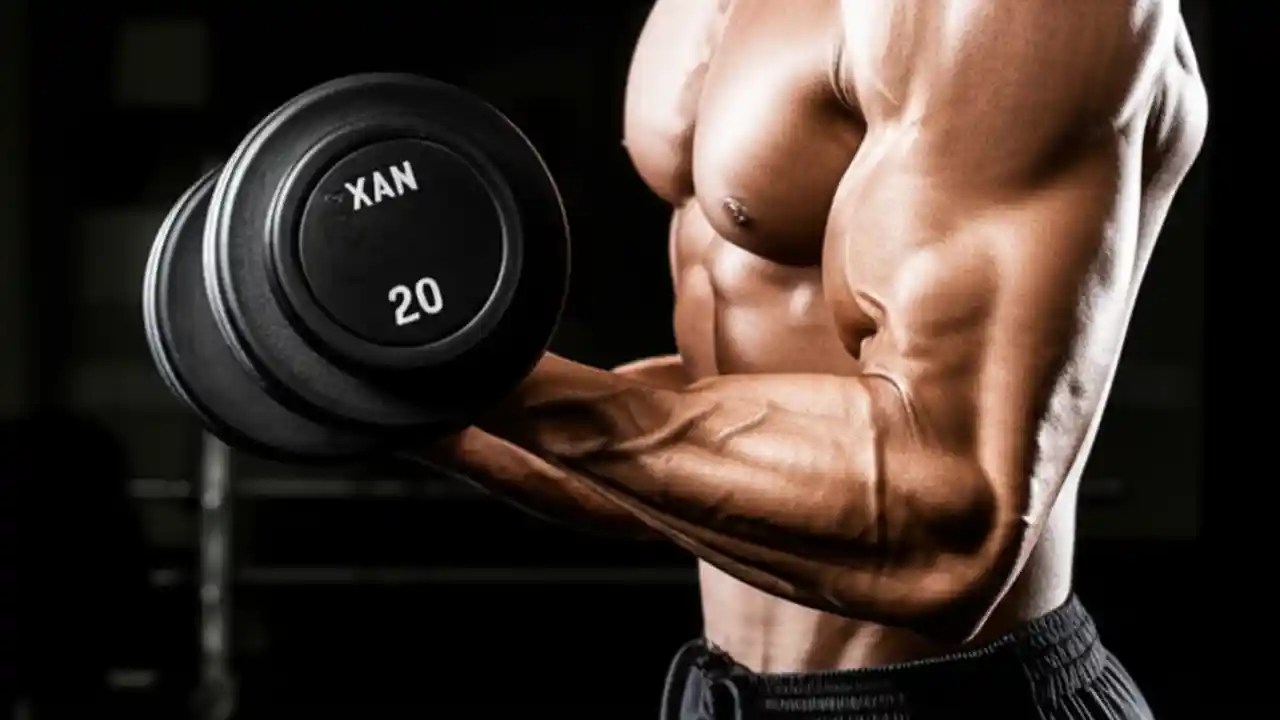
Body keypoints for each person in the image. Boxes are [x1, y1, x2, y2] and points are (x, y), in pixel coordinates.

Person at [420, 0, 1207, 717]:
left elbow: (949, 513)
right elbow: (721, 412)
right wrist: (403, 393)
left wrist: (508, 392)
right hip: (718, 690)